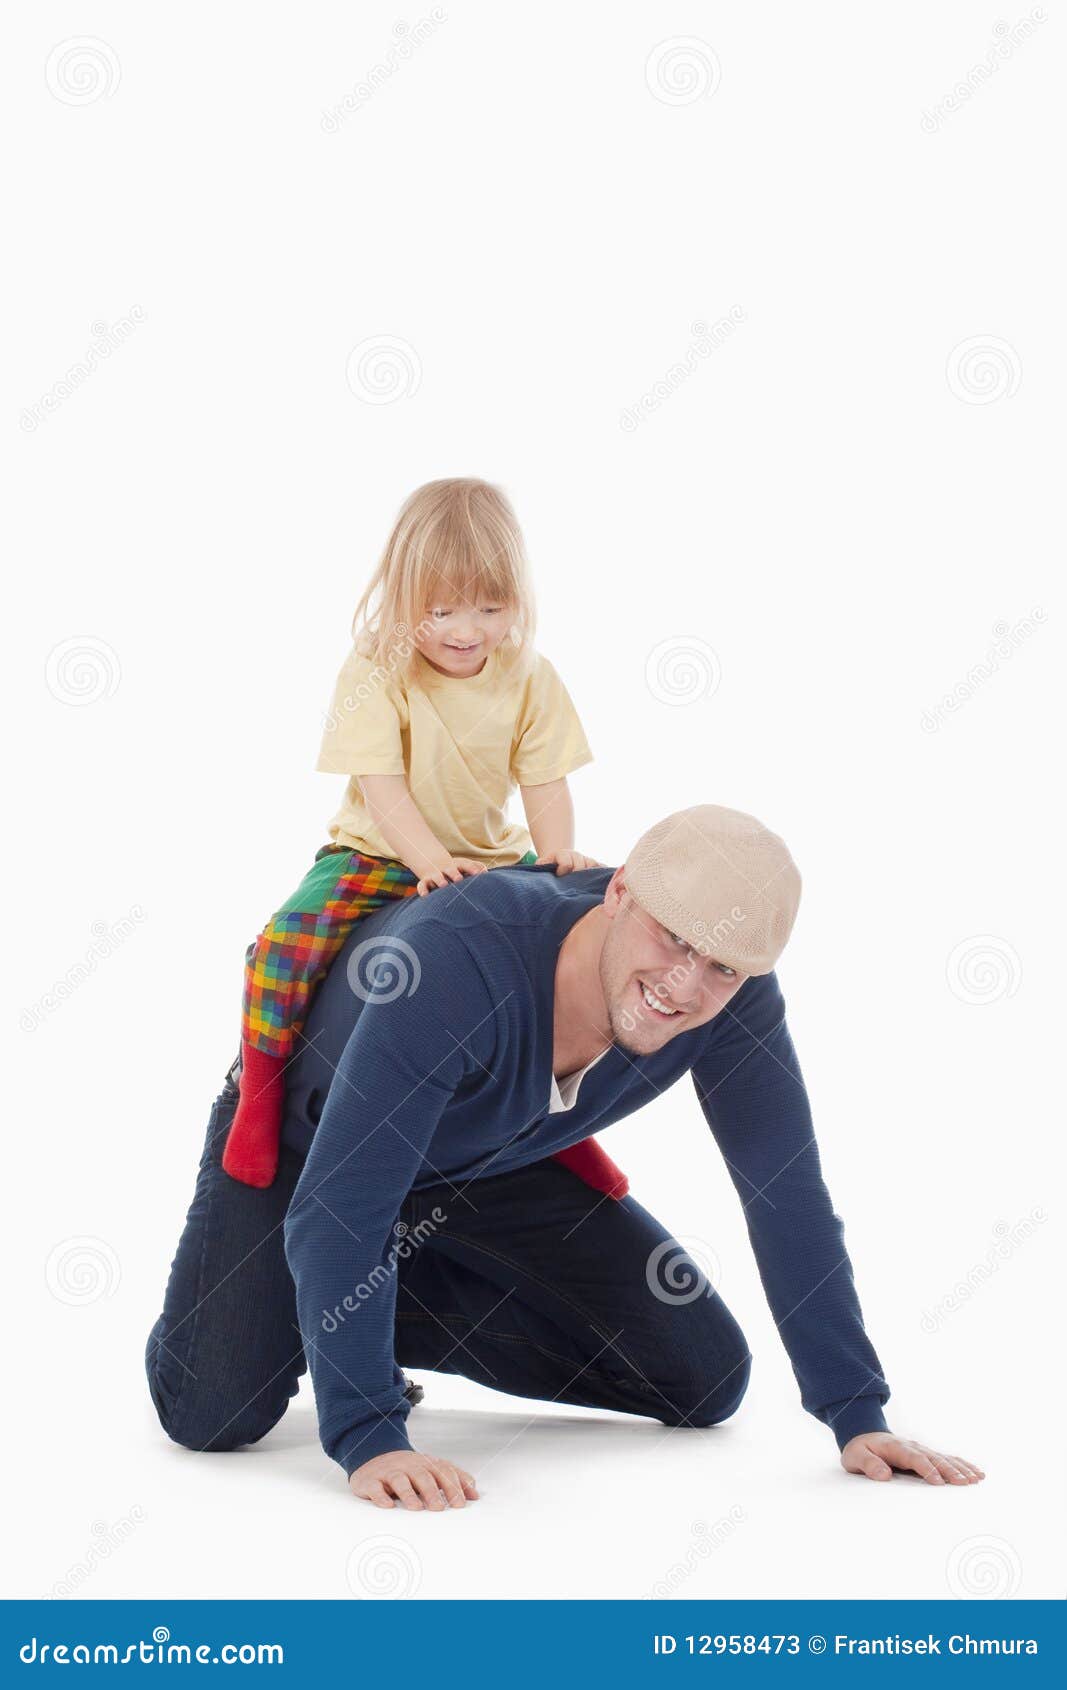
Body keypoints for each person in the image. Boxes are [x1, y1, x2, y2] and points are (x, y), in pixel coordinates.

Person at [147, 805, 985, 1509]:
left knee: (701, 1377)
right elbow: (338, 1210)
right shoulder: (458, 954)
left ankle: (352, 1304)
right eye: (674, 940)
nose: (685, 987)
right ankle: (328, 1309)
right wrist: (370, 1433)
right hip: (317, 1151)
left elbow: (786, 1194)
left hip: (481, 1159)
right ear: (619, 890)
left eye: (723, 967)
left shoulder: (731, 1002)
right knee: (210, 1407)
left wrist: (856, 1411)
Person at [222, 477, 605, 1190]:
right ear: (403, 602)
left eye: (489, 608)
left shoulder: (529, 676)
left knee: (565, 956)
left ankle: (554, 1117)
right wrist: (428, 862)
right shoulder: (376, 668)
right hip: (379, 850)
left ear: (516, 601)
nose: (466, 630)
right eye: (441, 610)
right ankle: (260, 1096)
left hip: (490, 857)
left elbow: (545, 781)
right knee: (287, 938)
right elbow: (383, 789)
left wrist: (556, 853)